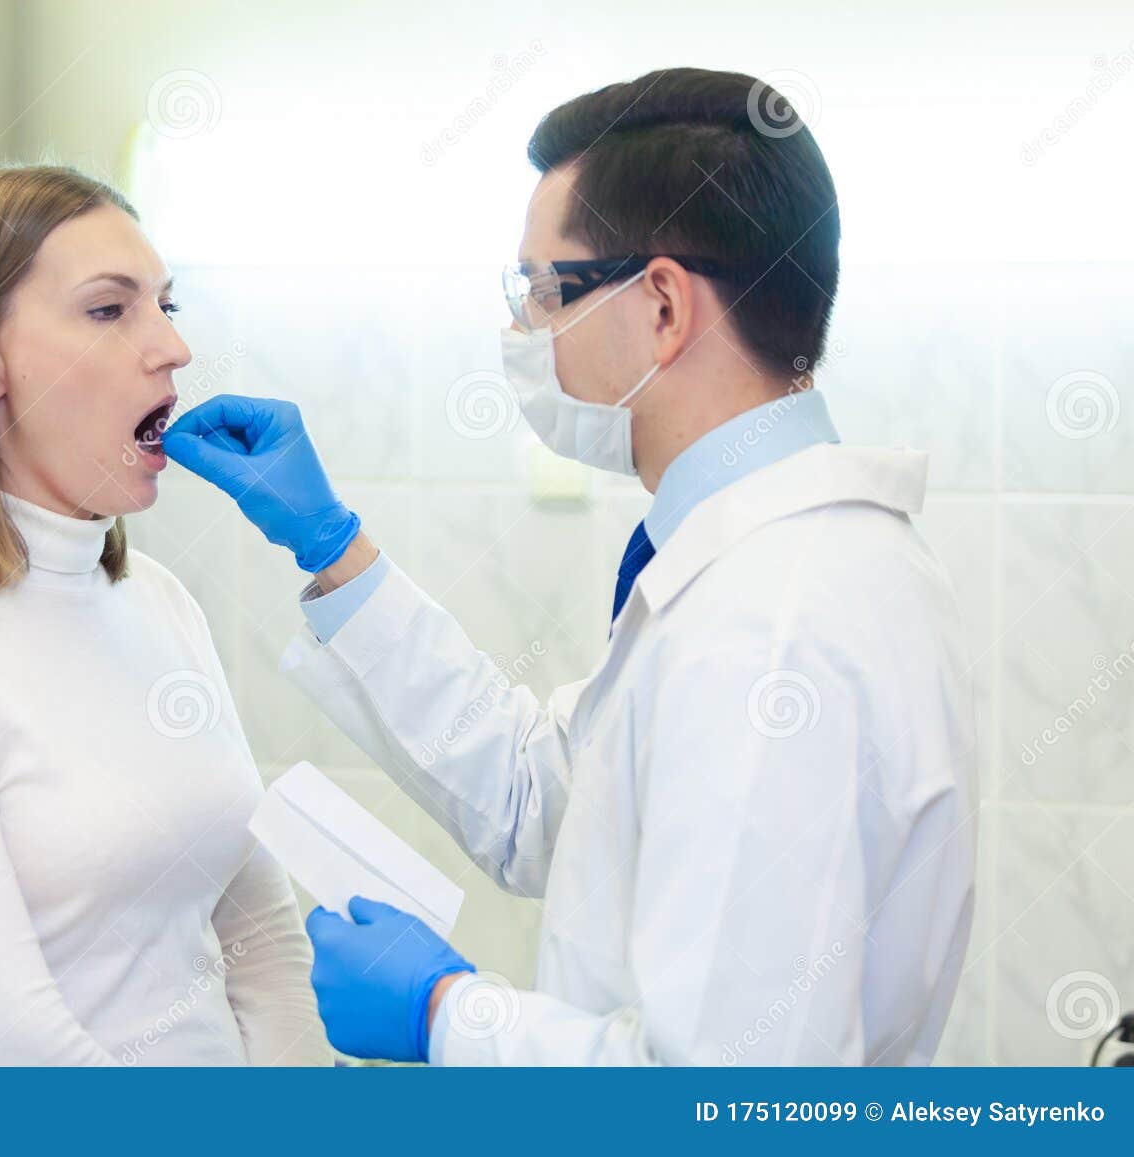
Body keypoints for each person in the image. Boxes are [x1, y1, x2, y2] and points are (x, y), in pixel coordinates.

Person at [163, 68, 976, 1065]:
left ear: (664, 306)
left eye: (544, 291)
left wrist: (447, 1013)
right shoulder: (773, 567)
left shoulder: (768, 624)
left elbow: (728, 1092)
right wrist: (335, 551)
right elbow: (550, 798)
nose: (521, 331)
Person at [0, 165, 330, 1066]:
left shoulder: (157, 602)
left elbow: (263, 941)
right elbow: (3, 1049)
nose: (172, 348)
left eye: (167, 304)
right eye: (110, 310)